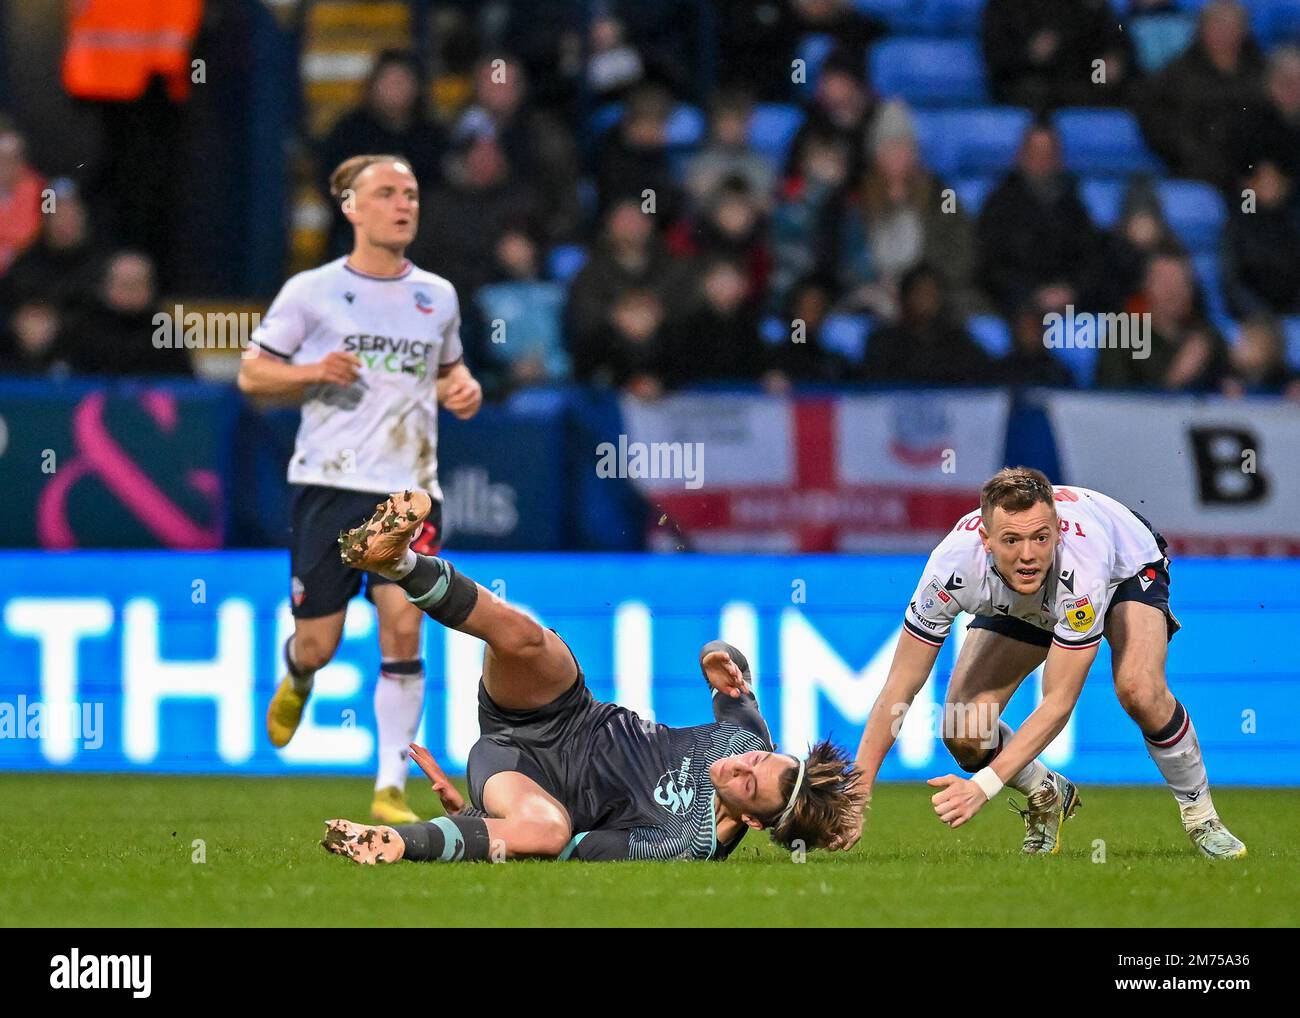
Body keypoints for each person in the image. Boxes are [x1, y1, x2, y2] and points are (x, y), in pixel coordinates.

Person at [321, 490, 865, 863]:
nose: (742, 764)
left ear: (752, 822)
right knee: (527, 638)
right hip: (564, 712)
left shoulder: (679, 844)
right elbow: (729, 665)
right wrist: (715, 656)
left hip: (524, 774)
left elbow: (565, 849)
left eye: (748, 784)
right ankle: (396, 562)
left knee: (548, 829)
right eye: (761, 761)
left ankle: (395, 842)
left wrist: (474, 816)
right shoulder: (746, 738)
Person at [237, 154, 482, 826]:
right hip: (329, 484)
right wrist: (313, 371)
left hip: (408, 492)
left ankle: (390, 787)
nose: (404, 205)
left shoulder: (437, 295)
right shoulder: (312, 291)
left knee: (404, 628)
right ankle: (298, 674)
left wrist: (463, 388)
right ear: (351, 207)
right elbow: (252, 375)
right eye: (387, 194)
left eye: (411, 194)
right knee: (320, 642)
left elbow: (448, 373)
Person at [836, 467, 1247, 860]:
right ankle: (1047, 791)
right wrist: (857, 791)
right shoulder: (951, 567)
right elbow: (901, 684)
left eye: (1040, 538)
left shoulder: (1080, 568)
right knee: (964, 731)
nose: (1028, 555)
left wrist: (982, 787)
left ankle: (1202, 818)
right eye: (1011, 540)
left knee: (1139, 689)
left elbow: (1058, 702)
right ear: (985, 540)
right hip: (1024, 598)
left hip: (1125, 569)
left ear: (1058, 531)